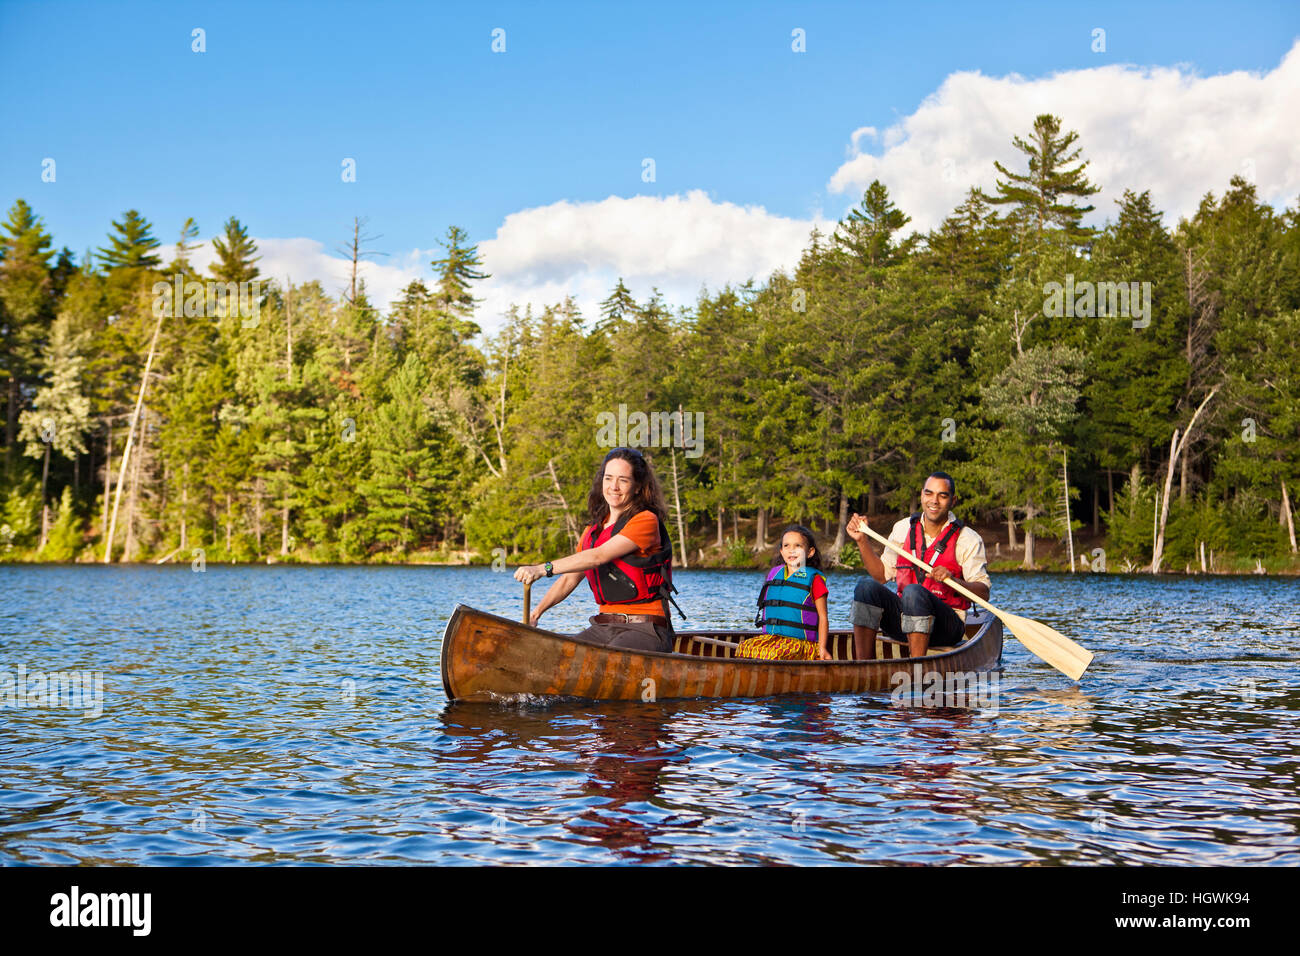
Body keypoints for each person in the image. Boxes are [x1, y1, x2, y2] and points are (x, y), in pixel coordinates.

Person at [514, 447, 680, 652]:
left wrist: (542, 568)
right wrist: (535, 614)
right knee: (560, 655)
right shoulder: (592, 532)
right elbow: (569, 579)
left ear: (637, 487)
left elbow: (598, 556)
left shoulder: (646, 521)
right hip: (604, 626)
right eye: (609, 478)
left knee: (599, 659)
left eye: (623, 480)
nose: (614, 487)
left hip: (646, 629)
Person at [845, 471, 991, 660]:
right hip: (904, 622)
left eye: (942, 495)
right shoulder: (903, 528)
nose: (934, 501)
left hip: (946, 627)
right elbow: (880, 576)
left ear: (953, 501)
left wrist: (952, 580)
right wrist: (862, 541)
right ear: (922, 495)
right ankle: (864, 666)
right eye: (929, 493)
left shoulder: (968, 539)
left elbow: (983, 595)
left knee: (914, 592)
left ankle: (916, 665)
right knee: (865, 587)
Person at [735, 525, 832, 661]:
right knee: (744, 648)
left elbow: (823, 617)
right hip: (774, 639)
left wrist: (822, 648)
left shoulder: (814, 580)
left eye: (797, 545)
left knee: (773, 655)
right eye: (786, 546)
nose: (791, 550)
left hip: (801, 644)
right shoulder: (775, 575)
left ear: (810, 552)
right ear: (781, 551)